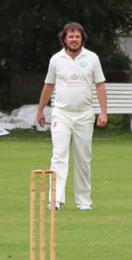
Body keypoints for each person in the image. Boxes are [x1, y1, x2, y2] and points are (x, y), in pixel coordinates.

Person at [35, 21, 108, 211]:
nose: (74, 40)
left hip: (84, 115)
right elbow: (48, 85)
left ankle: (84, 202)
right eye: (70, 36)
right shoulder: (56, 59)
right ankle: (56, 199)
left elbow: (100, 85)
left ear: (82, 38)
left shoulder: (92, 58)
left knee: (83, 158)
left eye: (77, 36)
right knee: (59, 155)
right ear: (64, 39)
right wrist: (40, 110)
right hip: (61, 113)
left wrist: (103, 111)